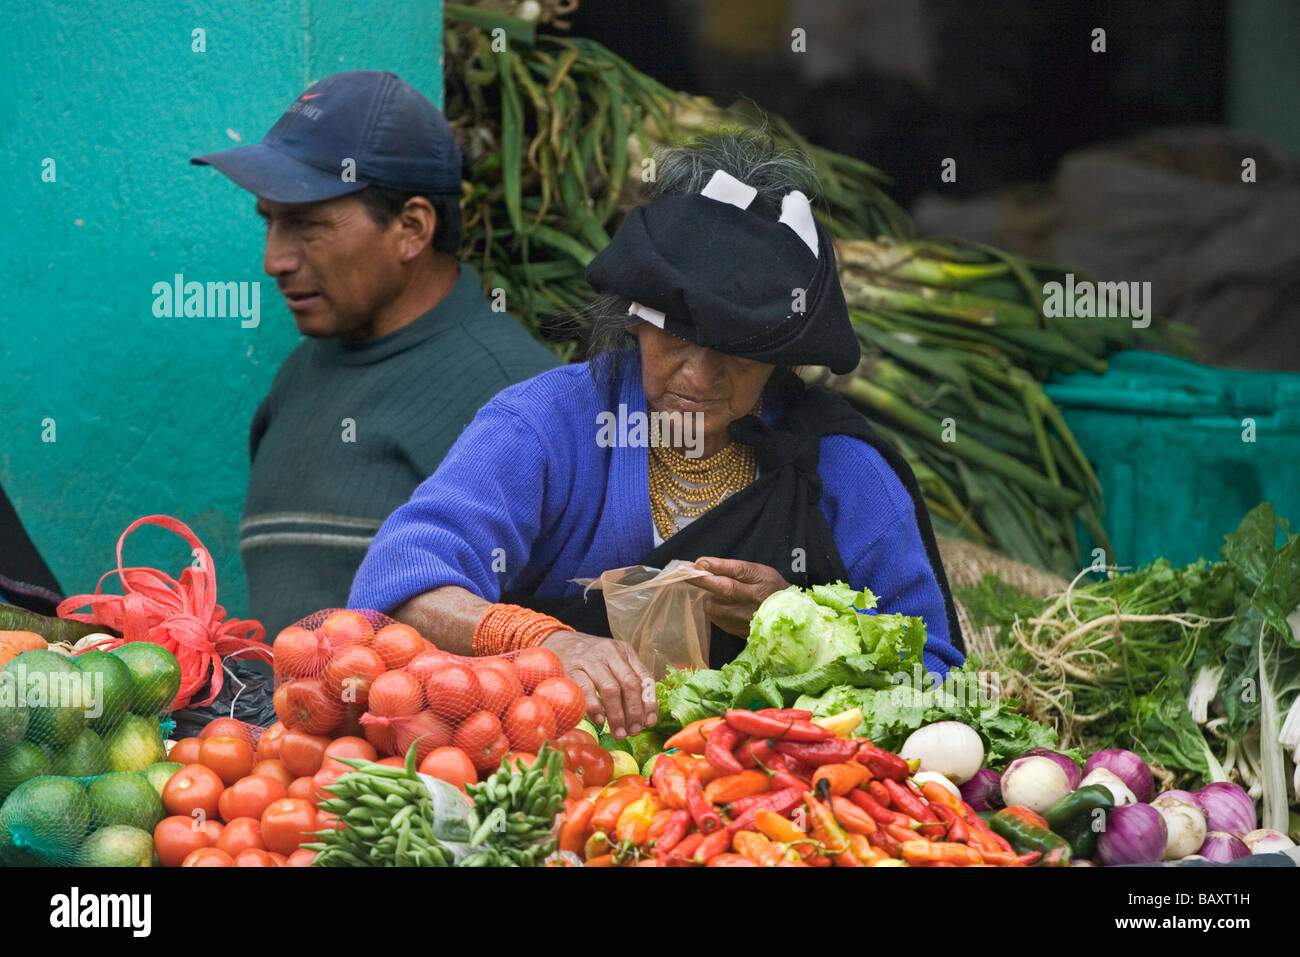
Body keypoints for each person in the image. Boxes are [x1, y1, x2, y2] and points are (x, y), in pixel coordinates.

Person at [350, 132, 965, 737]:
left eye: (736, 355)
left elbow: (935, 683)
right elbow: (399, 584)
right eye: (675, 339)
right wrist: (543, 642)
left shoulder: (842, 470)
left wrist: (803, 627)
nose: (698, 376)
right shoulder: (545, 426)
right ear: (636, 322)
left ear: (785, 357)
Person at [191, 71, 558, 637]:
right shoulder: (297, 379)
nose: (275, 260)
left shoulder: (514, 394)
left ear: (411, 228)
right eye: (270, 222)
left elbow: (544, 647)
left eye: (307, 225)